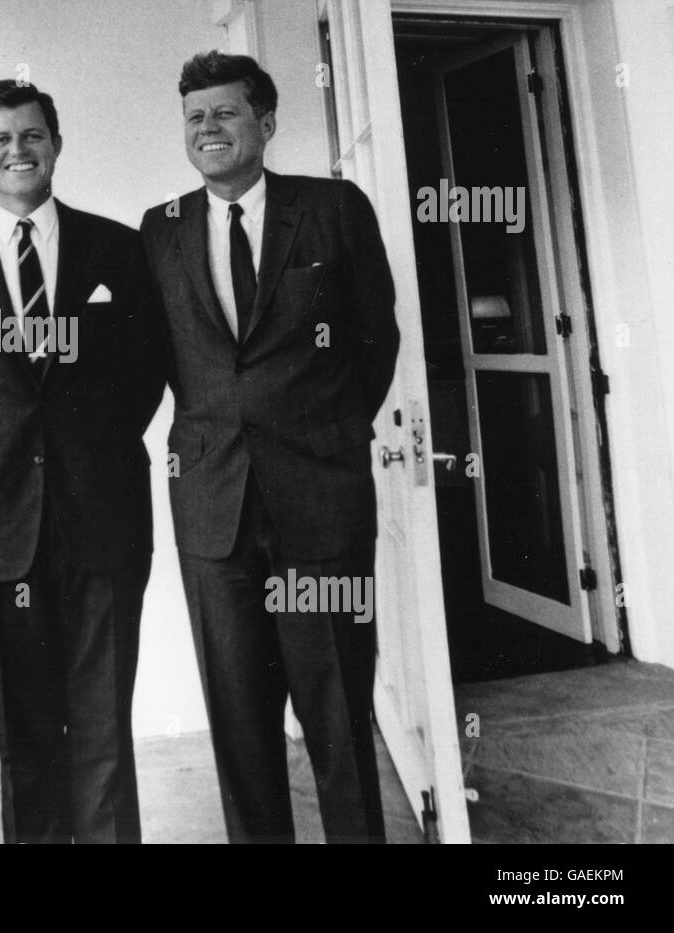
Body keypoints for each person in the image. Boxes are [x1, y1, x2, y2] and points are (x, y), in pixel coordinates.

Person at [140, 51, 400, 844]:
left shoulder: (332, 208)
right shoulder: (163, 228)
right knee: (240, 719)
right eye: (194, 116)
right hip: (216, 516)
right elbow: (156, 358)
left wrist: (326, 437)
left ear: (267, 122)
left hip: (321, 509)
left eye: (223, 112)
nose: (207, 128)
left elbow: (375, 340)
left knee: (337, 708)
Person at [0, 80, 167, 843]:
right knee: (24, 733)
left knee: (101, 724)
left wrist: (85, 450)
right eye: (1, 139)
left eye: (32, 135)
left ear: (56, 145)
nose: (18, 150)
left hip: (102, 519)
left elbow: (146, 370)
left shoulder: (116, 248)